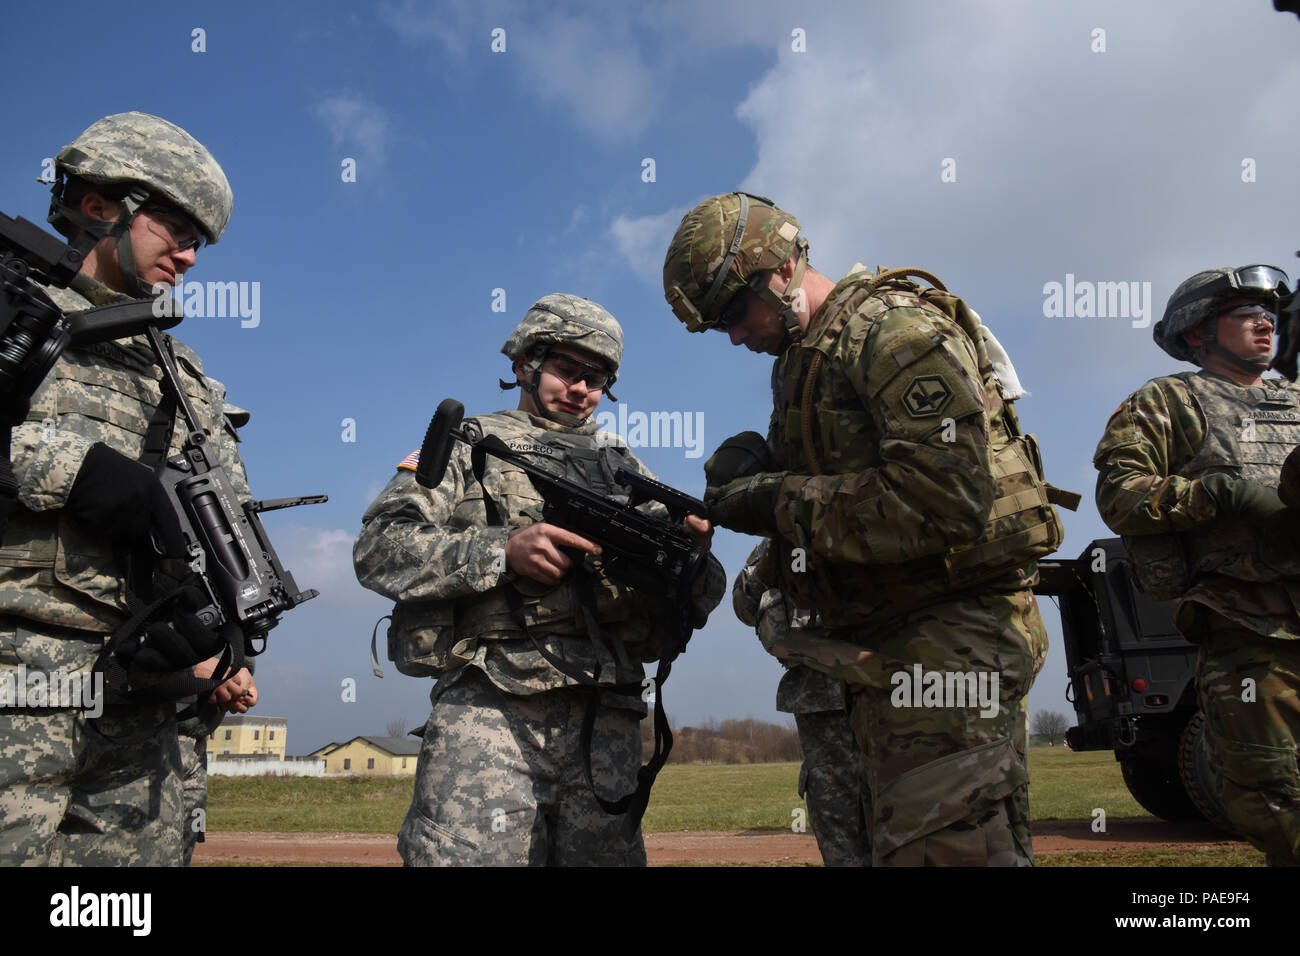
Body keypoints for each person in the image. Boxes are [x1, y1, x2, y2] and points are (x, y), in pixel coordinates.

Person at [662, 192, 1065, 866]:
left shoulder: (894, 331)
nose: (734, 336)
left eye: (734, 311)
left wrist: (774, 499)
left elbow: (947, 499)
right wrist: (750, 477)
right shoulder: (803, 362)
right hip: (883, 650)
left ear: (781, 268)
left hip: (950, 642)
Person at [354, 294, 725, 866]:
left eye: (596, 377)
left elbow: (690, 600)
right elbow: (379, 549)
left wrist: (691, 555)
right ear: (525, 364)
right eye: (567, 370)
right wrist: (502, 550)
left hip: (607, 717)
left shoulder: (624, 468)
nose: (580, 388)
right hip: (491, 712)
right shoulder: (468, 444)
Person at [0, 112, 255, 866]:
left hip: (143, 698)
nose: (189, 257)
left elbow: (225, 529)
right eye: (175, 230)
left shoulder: (188, 377)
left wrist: (222, 639)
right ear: (103, 206)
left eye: (199, 245)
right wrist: (69, 468)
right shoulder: (16, 305)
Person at [1094, 265, 1300, 866]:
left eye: (1270, 314)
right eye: (1244, 313)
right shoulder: (1168, 401)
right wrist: (1220, 494)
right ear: (1196, 334)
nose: (1265, 323)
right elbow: (1120, 495)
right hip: (1249, 628)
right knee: (1272, 796)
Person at [733, 541, 869, 866]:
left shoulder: (888, 506)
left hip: (895, 697)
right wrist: (771, 562)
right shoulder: (787, 528)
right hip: (822, 708)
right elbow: (743, 603)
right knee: (843, 837)